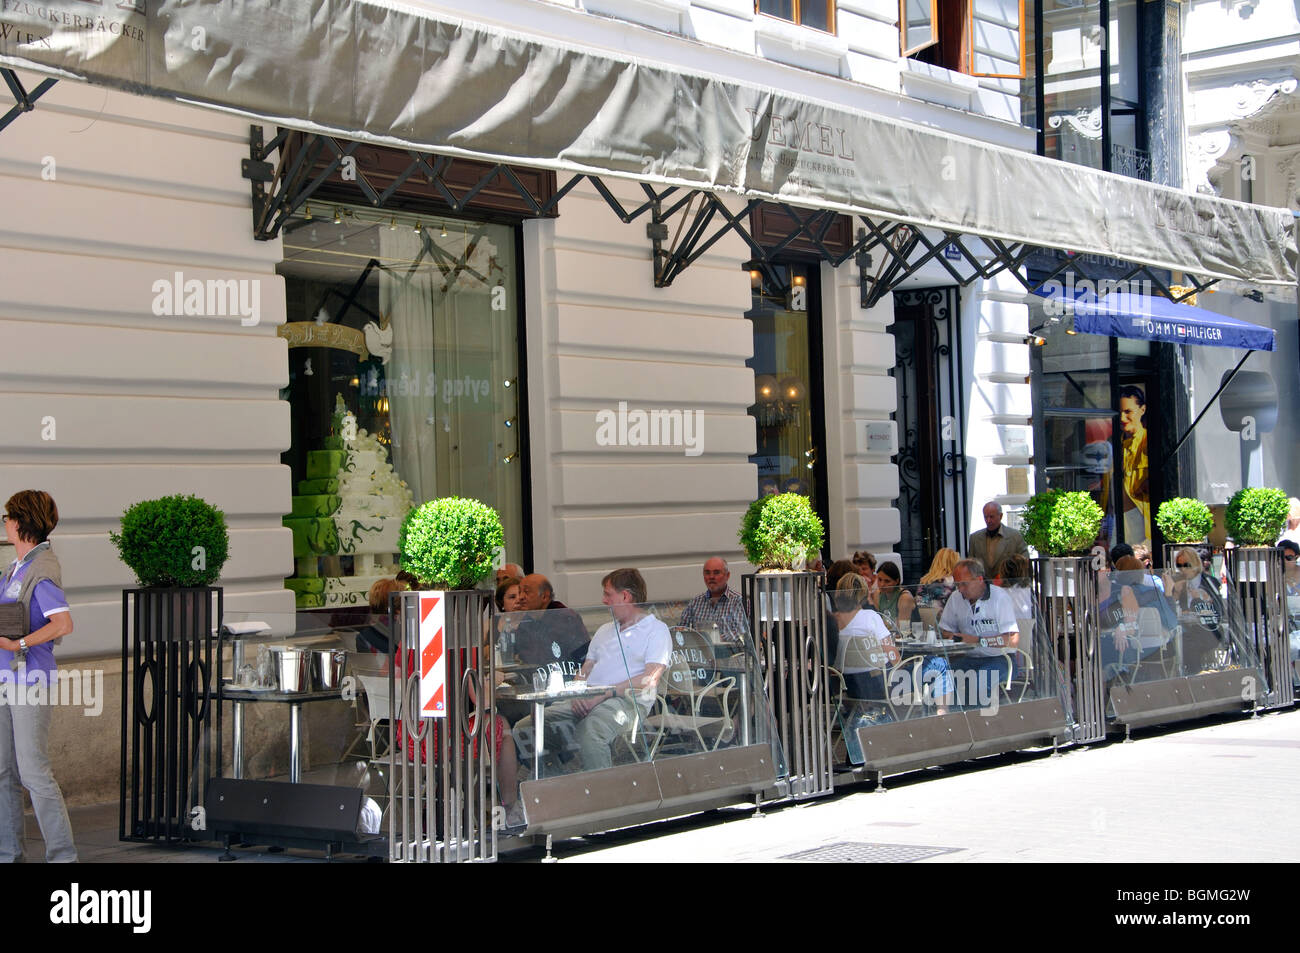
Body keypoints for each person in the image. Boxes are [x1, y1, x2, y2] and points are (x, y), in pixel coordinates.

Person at [511, 569, 669, 772]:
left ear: (625, 596)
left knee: (591, 732)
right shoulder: (604, 630)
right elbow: (585, 669)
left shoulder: (656, 630)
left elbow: (649, 679)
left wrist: (603, 695)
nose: (603, 600)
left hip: (627, 701)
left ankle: (600, 795)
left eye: (607, 594)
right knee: (525, 728)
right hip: (588, 697)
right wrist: (578, 692)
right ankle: (558, 782)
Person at [0, 490, 77, 863]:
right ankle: (9, 855)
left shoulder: (42, 569)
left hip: (28, 682)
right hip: (5, 681)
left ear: (18, 522)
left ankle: (63, 859)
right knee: (3, 773)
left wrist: (20, 646)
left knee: (33, 773)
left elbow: (62, 624)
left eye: (7, 517)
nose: (5, 524)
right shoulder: (15, 567)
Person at [939, 558, 1020, 704]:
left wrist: (979, 641)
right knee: (941, 678)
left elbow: (1012, 640)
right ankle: (948, 719)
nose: (961, 589)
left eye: (964, 584)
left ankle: (975, 723)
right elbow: (945, 630)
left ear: (980, 579)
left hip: (1001, 659)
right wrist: (953, 637)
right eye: (957, 585)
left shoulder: (1000, 598)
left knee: (978, 683)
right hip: (969, 657)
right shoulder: (956, 598)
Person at [1097, 555, 1178, 681]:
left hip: (1136, 652)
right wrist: (1168, 593)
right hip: (1162, 650)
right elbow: (1172, 622)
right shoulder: (1154, 592)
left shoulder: (1122, 594)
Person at [1166, 546, 1226, 673]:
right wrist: (1175, 593)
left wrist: (1200, 598)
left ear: (1195, 563)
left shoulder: (1209, 582)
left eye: (1186, 565)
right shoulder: (1176, 581)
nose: (1182, 569)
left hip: (1207, 628)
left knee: (1188, 641)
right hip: (1183, 629)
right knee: (1179, 639)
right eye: (1179, 565)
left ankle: (1194, 673)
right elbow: (1169, 609)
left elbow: (1218, 612)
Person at [513, 573, 589, 665]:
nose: (520, 597)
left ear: (545, 596)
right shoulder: (526, 621)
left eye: (527, 591)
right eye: (520, 592)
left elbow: (583, 655)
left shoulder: (565, 618)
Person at [679, 557, 749, 643]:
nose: (711, 577)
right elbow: (681, 632)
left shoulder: (739, 602)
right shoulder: (695, 603)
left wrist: (711, 637)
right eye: (707, 573)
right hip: (702, 654)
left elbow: (743, 635)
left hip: (732, 655)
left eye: (716, 573)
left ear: (727, 576)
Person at [1118, 384, 1151, 545]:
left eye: (1128, 412)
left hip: (1144, 521)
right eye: (1119, 412)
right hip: (1119, 521)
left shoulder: (1148, 442)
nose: (1122, 418)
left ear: (1142, 410)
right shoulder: (1116, 445)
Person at [968, 502, 1028, 569]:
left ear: (1001, 516)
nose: (988, 520)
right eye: (985, 517)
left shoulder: (1015, 536)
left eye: (991, 517)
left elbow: (1025, 562)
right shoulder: (975, 538)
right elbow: (971, 566)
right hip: (983, 578)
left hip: (1008, 579)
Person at [873, 562, 916, 630]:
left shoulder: (905, 597)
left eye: (887, 581)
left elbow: (902, 630)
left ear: (896, 581)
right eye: (879, 579)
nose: (882, 584)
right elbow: (876, 622)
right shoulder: (877, 594)